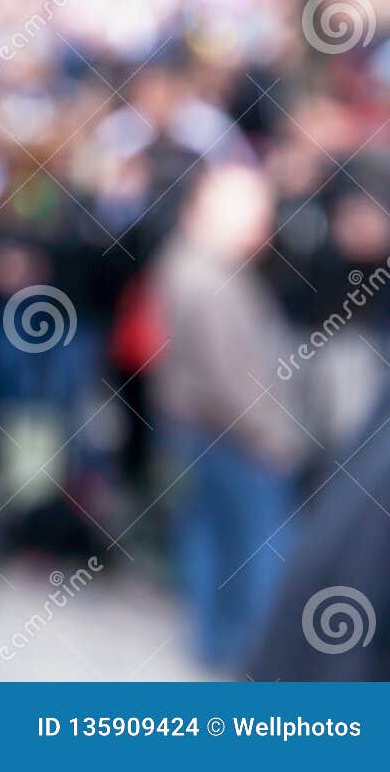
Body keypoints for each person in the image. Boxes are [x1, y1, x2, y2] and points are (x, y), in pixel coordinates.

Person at [150, 163, 306, 670]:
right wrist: (274, 438)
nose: (265, 229)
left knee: (211, 539)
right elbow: (231, 381)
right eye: (256, 216)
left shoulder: (200, 265)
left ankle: (218, 644)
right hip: (229, 435)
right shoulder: (205, 275)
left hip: (206, 430)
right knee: (256, 546)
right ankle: (250, 650)